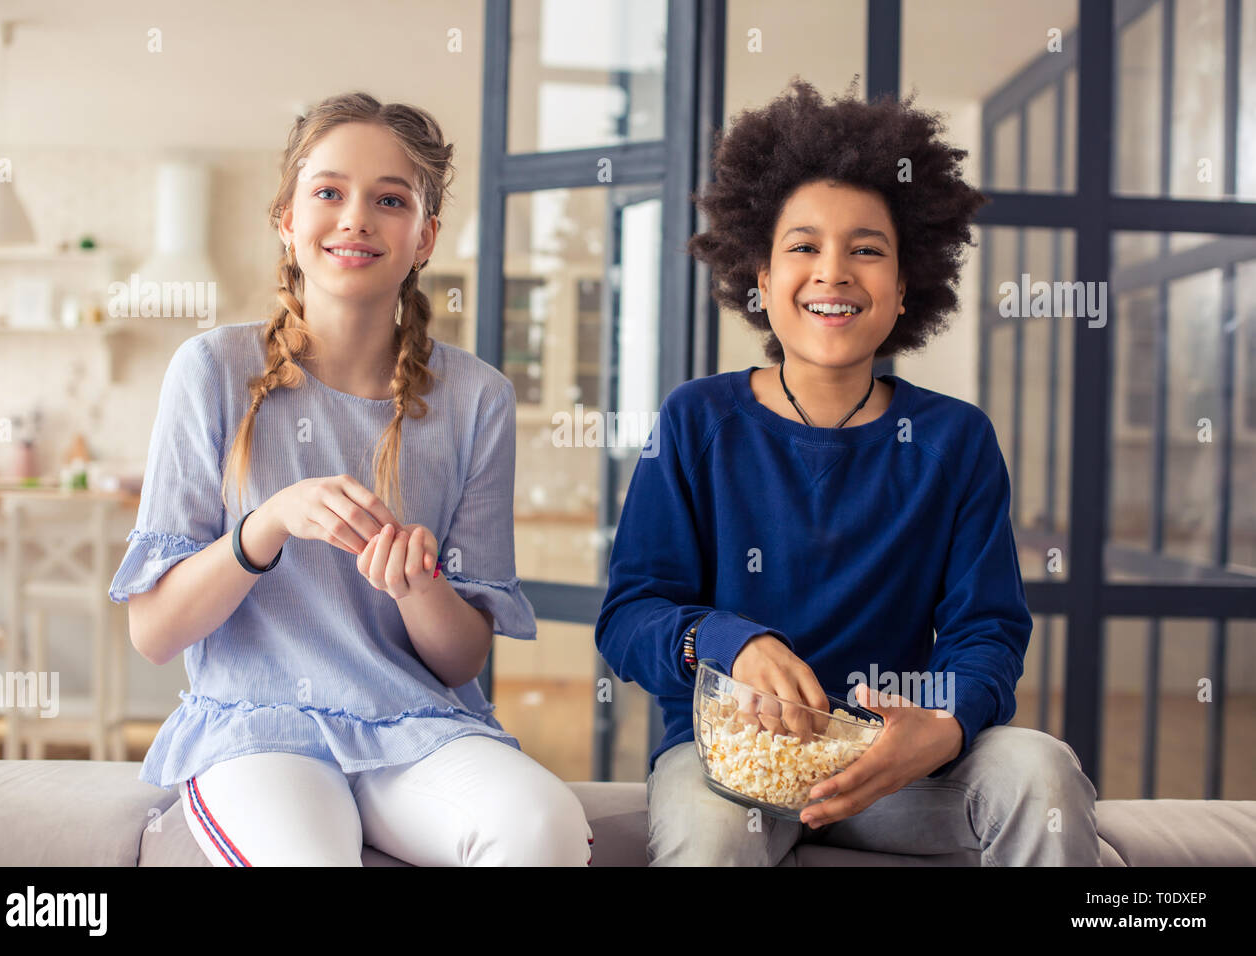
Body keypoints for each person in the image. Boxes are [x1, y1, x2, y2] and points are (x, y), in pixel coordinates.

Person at [594, 78, 1099, 867]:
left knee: (1042, 766)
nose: (833, 272)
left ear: (904, 289)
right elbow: (630, 616)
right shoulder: (697, 421)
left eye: (866, 249)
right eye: (802, 247)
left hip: (894, 769)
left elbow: (986, 631)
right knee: (715, 834)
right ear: (760, 281)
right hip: (732, 767)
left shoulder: (956, 441)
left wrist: (944, 726)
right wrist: (726, 640)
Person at [109, 92, 591, 866]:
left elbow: (461, 659)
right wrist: (264, 526)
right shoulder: (210, 372)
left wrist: (418, 587)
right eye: (328, 191)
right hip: (257, 726)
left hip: (417, 727)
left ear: (424, 237)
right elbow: (154, 633)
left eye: (390, 200)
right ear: (287, 221)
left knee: (545, 825)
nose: (356, 218)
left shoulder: (479, 399)